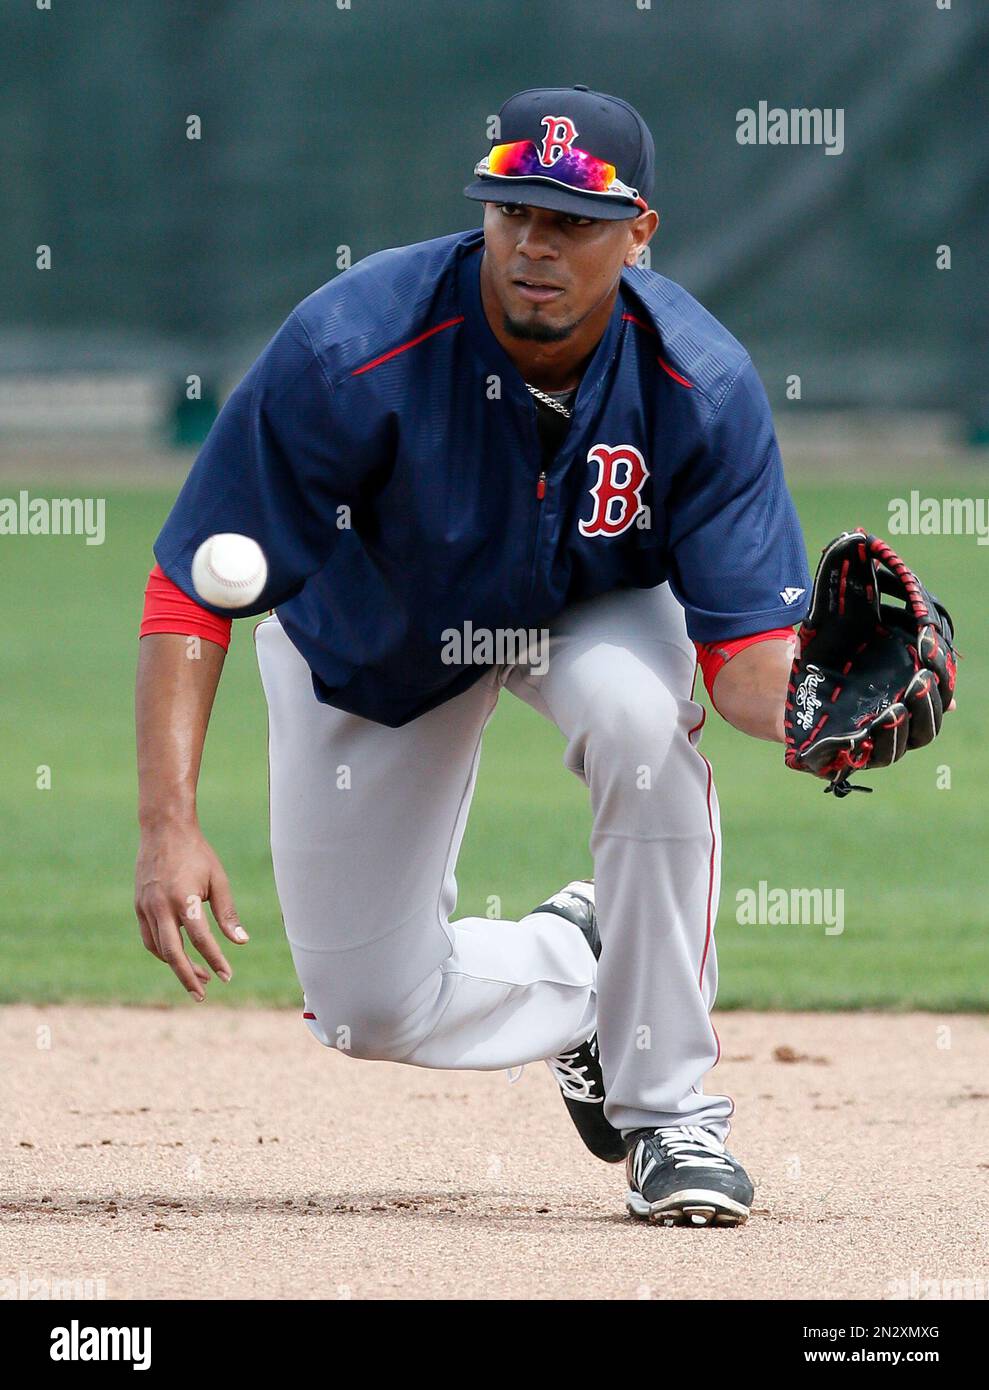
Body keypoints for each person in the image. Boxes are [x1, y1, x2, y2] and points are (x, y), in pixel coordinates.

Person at [135, 85, 815, 1227]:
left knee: (640, 727)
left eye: (574, 220)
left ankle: (670, 1115)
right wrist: (167, 823)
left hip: (587, 606)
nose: (536, 244)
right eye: (514, 212)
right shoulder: (352, 343)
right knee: (368, 1008)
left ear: (641, 231)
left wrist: (820, 711)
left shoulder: (700, 381)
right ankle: (580, 962)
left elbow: (743, 665)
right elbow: (189, 585)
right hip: (378, 635)